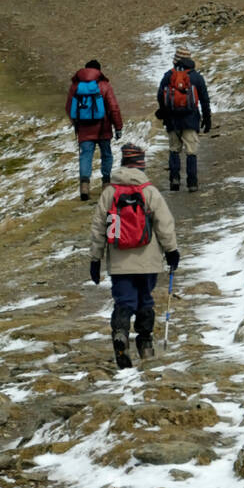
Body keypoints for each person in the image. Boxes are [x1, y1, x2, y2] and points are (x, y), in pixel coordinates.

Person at [89, 143, 179, 368]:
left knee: (124, 301)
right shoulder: (149, 191)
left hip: (120, 262)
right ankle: (145, 343)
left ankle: (120, 334)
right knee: (145, 300)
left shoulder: (110, 192)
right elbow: (164, 224)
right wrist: (171, 251)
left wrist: (95, 258)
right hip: (148, 261)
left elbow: (99, 227)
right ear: (141, 165)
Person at [65, 59, 123, 201]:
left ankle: (84, 186)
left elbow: (68, 108)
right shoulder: (104, 84)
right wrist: (118, 127)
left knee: (85, 156)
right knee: (106, 155)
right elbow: (113, 107)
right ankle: (106, 184)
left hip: (84, 129)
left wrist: (76, 124)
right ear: (99, 71)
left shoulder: (76, 86)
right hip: (103, 127)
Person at [157, 45, 211, 192]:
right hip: (191, 119)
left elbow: (160, 96)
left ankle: (174, 180)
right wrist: (207, 119)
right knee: (191, 151)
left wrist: (163, 112)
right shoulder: (196, 77)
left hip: (172, 120)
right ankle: (192, 183)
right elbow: (205, 100)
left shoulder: (168, 75)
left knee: (174, 150)